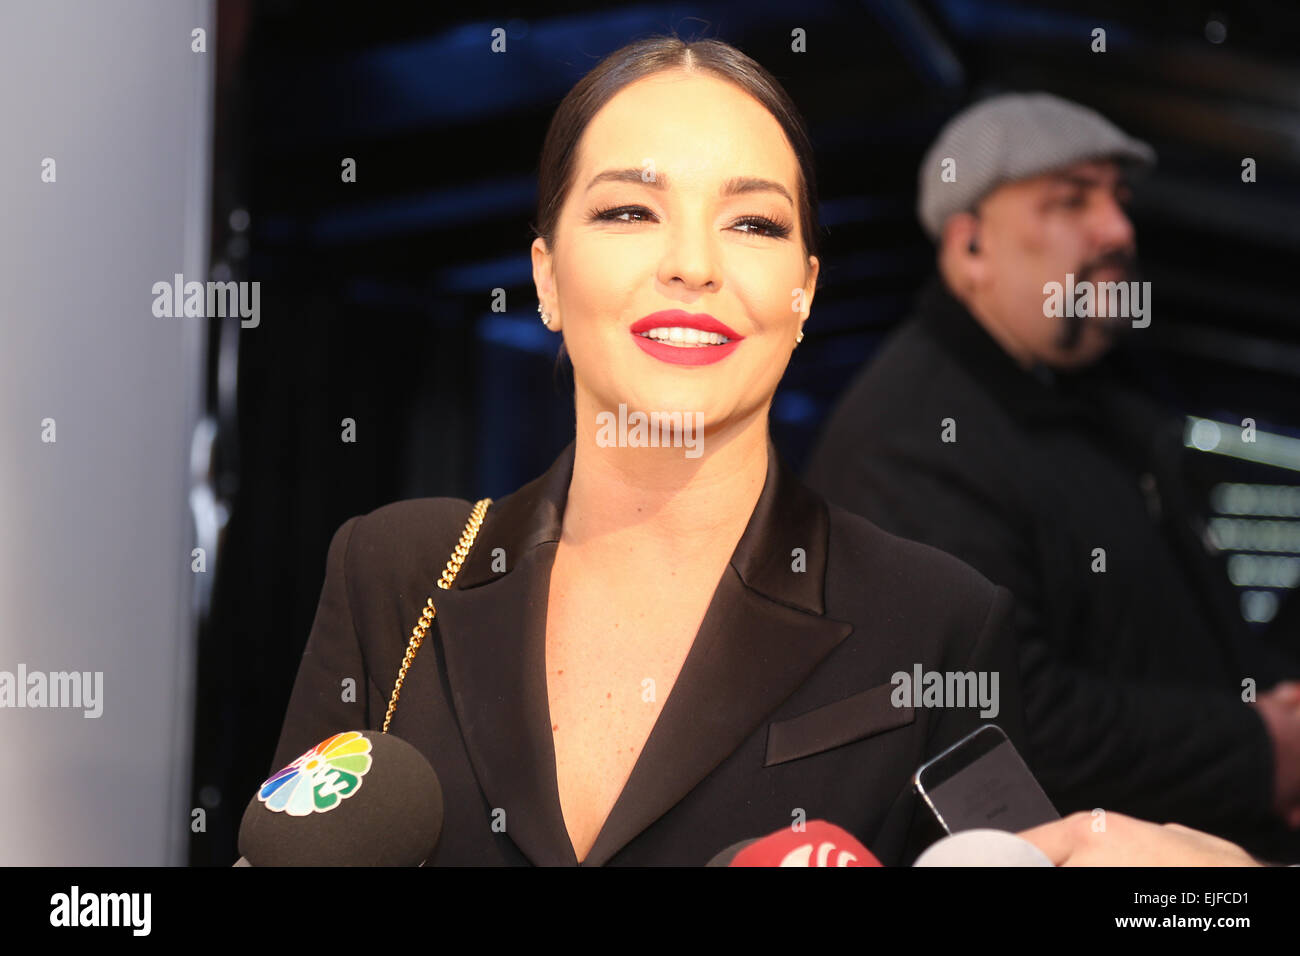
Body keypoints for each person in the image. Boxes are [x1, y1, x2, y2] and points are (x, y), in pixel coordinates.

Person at [269, 35, 1025, 866]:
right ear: (547, 277)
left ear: (804, 290)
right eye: (629, 210)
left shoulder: (942, 619)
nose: (694, 265)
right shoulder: (391, 572)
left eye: (752, 222)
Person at [804, 92, 1300, 861]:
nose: (1117, 229)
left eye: (1118, 200)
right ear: (970, 247)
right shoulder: (912, 439)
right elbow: (1005, 716)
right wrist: (1259, 748)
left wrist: (1272, 701)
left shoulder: (1098, 400)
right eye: (1070, 201)